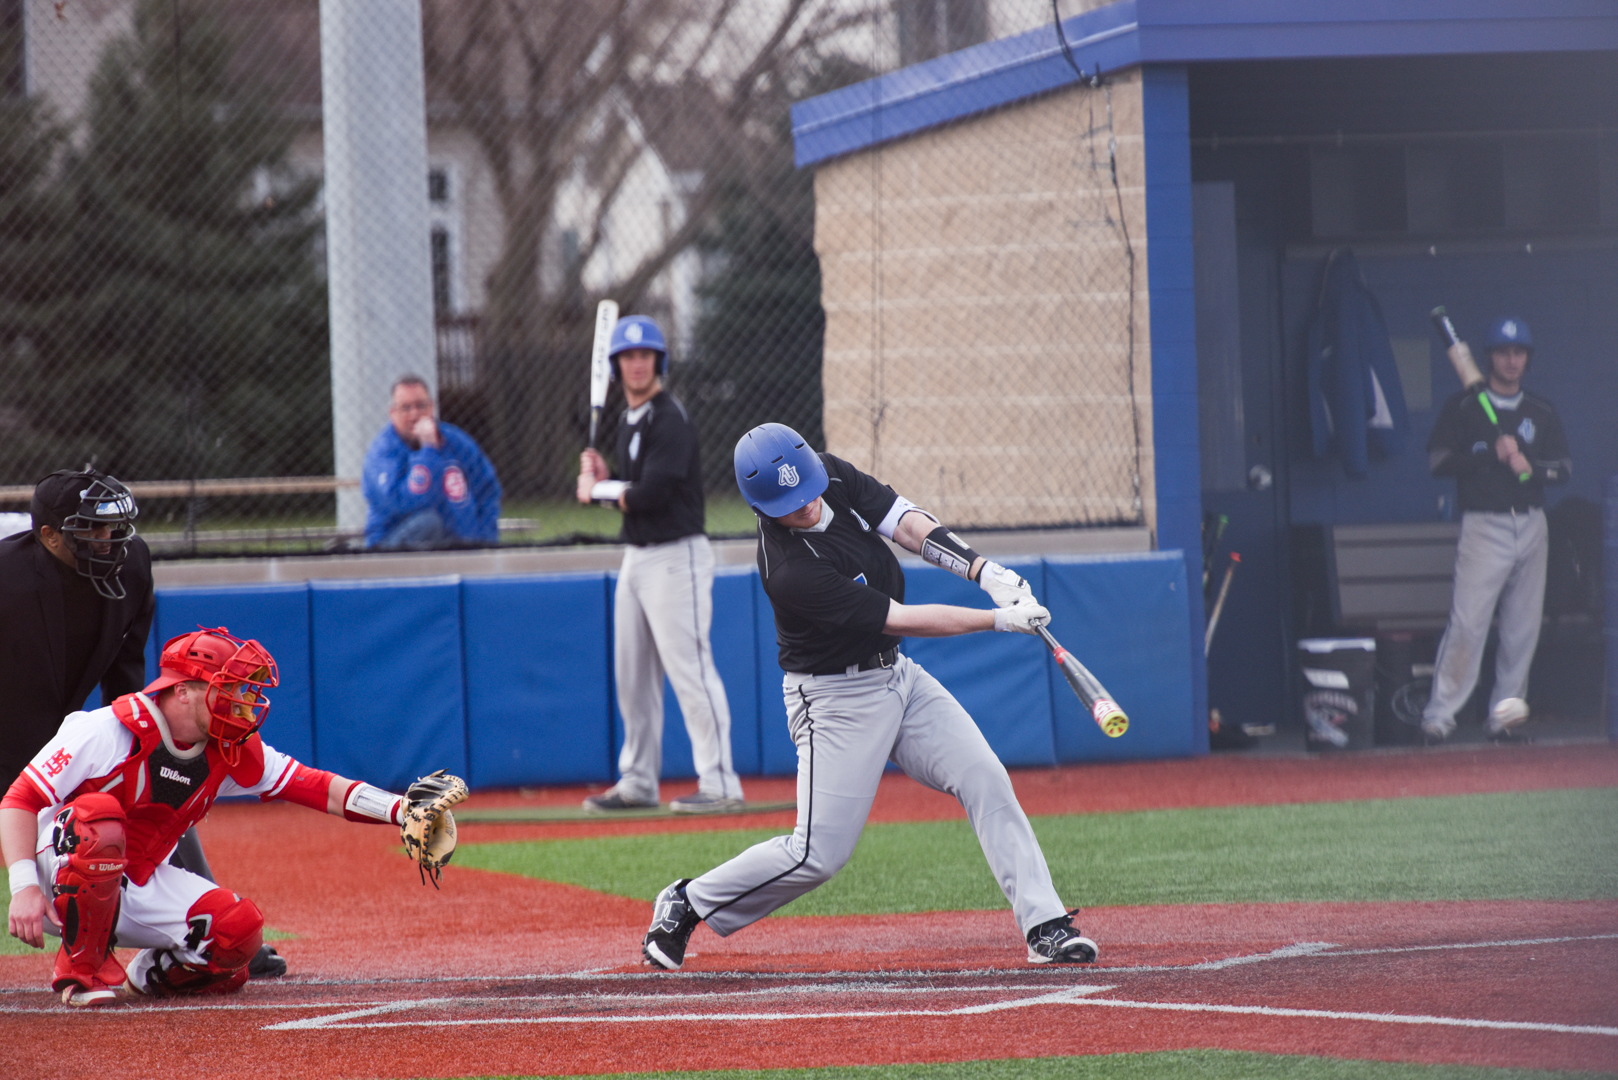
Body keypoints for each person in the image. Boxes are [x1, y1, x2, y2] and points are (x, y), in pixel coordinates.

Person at [638, 422, 1097, 970]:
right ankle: (687, 903)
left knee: (985, 776)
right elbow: (900, 618)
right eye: (789, 502)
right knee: (816, 854)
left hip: (897, 676)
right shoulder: (787, 568)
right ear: (761, 506)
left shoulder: (828, 473)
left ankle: (1043, 925)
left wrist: (982, 570)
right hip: (834, 701)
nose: (805, 504)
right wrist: (998, 618)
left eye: (806, 488)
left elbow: (903, 521)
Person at [2, 627, 452, 1006]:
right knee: (99, 820)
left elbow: (317, 787)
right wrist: (23, 886)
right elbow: (18, 799)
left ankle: (146, 973)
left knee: (238, 935)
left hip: (135, 877)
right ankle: (82, 968)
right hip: (55, 873)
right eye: (228, 688)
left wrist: (400, 810)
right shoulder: (107, 729)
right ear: (182, 690)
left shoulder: (230, 750)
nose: (240, 701)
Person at [0, 470, 287, 979]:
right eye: (92, 531)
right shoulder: (9, 579)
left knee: (157, 779)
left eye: (114, 529)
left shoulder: (132, 565)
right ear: (49, 537)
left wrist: (143, 736)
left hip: (57, 713)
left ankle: (195, 925)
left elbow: (126, 665)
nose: (109, 542)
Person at [576, 315, 744, 815]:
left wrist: (598, 491)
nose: (636, 363)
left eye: (644, 355)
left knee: (689, 670)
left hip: (677, 558)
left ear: (658, 361)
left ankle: (721, 783)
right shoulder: (632, 418)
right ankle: (638, 781)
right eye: (627, 356)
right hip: (638, 558)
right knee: (632, 676)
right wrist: (609, 481)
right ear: (617, 365)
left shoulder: (669, 417)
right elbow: (637, 486)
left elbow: (652, 492)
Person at [1422, 316, 1570, 742]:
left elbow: (1564, 468)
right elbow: (1438, 461)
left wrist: (1531, 466)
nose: (1511, 360)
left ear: (1527, 358)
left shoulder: (1540, 410)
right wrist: (1490, 454)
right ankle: (1439, 716)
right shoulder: (1465, 407)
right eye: (1504, 352)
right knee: (1469, 623)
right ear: (1488, 357)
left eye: (1519, 352)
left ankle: (1503, 718)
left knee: (1522, 628)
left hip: (1530, 522)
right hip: (1484, 523)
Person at [363, 375, 501, 550]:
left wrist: (486, 541)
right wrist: (428, 450)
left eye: (421, 406)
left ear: (432, 407)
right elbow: (405, 502)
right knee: (429, 523)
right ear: (393, 413)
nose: (414, 414)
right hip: (392, 548)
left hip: (458, 543)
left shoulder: (456, 441)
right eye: (406, 408)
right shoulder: (383, 453)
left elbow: (487, 491)